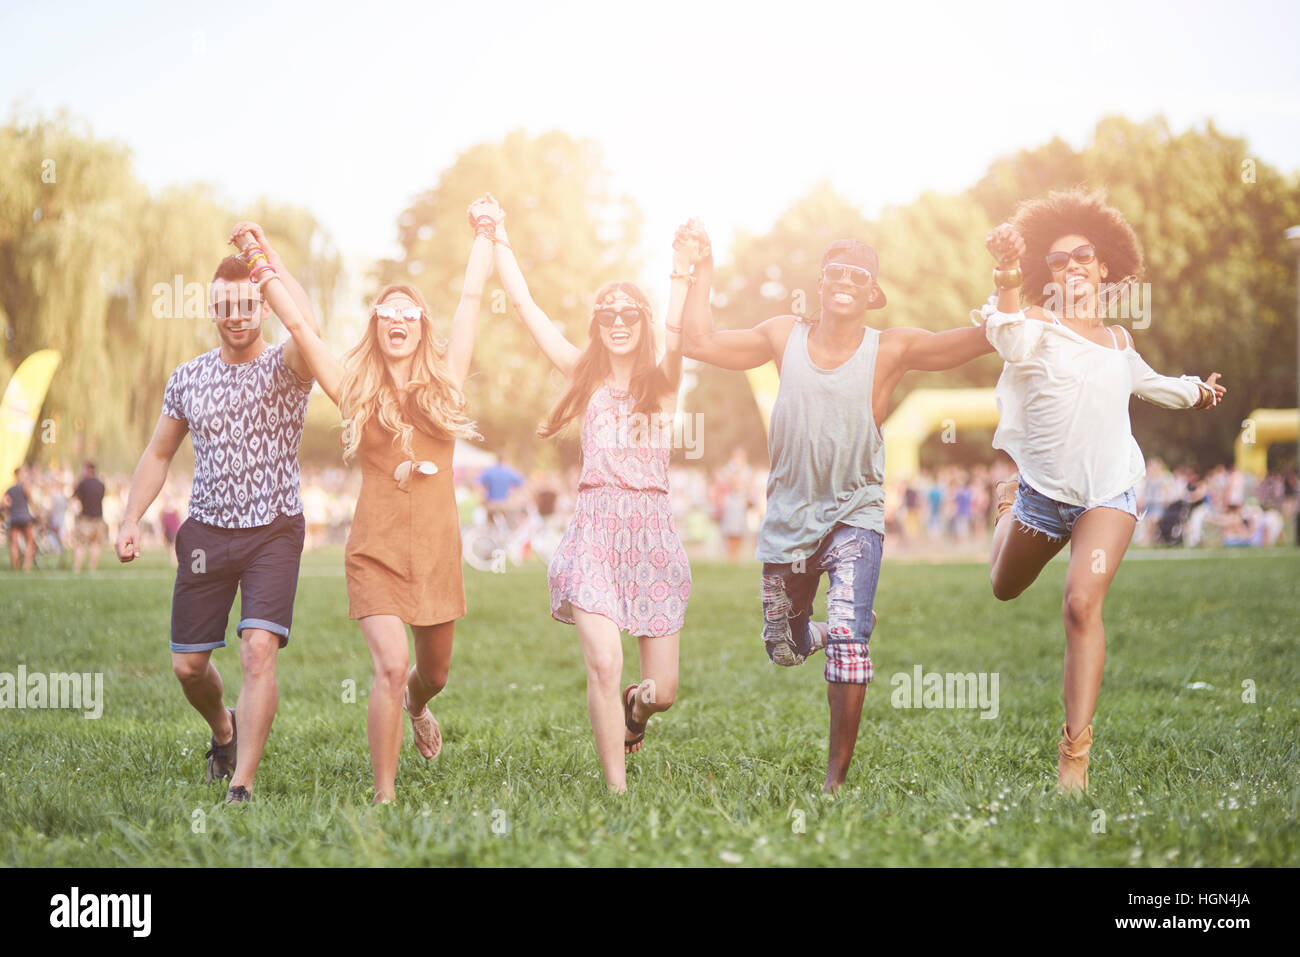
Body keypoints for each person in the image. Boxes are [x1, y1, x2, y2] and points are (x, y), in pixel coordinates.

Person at [682, 229, 995, 794]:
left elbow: (976, 341)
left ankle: (834, 781)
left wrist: (1009, 284)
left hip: (856, 512)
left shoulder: (891, 347)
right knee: (782, 647)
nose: (845, 282)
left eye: (858, 276)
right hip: (788, 520)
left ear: (872, 292)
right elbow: (697, 343)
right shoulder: (783, 335)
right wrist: (701, 269)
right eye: (836, 272)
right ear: (820, 283)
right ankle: (831, 629)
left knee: (852, 645)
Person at [980, 189, 1225, 793]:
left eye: (1081, 255)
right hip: (1042, 495)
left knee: (1081, 604)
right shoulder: (1036, 325)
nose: (1070, 267)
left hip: (1109, 492)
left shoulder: (1119, 340)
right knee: (1003, 587)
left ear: (1104, 265)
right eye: (1057, 262)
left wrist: (1197, 390)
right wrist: (1008, 273)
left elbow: (1153, 384)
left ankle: (1075, 757)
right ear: (1049, 275)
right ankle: (1008, 503)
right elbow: (1006, 336)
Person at [252, 200, 493, 803]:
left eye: (408, 312)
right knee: (389, 665)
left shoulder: (447, 382)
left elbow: (469, 303)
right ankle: (385, 797)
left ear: (420, 326)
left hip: (437, 552)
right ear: (376, 325)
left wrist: (486, 233)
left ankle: (418, 705)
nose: (397, 319)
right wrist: (262, 263)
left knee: (431, 673)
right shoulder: (356, 392)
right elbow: (304, 330)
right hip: (376, 551)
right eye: (386, 311)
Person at [494, 202, 700, 793]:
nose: (617, 320)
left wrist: (680, 271)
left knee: (663, 692)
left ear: (641, 320)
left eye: (628, 312)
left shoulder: (663, 382)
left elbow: (680, 333)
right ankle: (616, 790)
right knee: (605, 664)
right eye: (607, 312)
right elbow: (529, 311)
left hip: (652, 532)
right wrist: (502, 237)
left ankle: (636, 712)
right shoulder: (582, 376)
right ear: (596, 322)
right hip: (594, 531)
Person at [115, 229, 319, 803]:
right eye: (225, 306)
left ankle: (242, 785)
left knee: (258, 649)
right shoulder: (188, 377)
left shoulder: (289, 363)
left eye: (248, 304)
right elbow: (158, 454)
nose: (237, 316)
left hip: (275, 527)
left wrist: (269, 262)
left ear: (263, 304)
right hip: (205, 530)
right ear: (212, 309)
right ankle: (223, 728)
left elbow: (310, 327)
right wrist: (131, 518)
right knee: (188, 668)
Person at [72, 462, 108, 572]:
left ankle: (77, 569)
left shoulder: (82, 483)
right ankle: (92, 569)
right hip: (98, 518)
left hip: (85, 519)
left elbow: (75, 499)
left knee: (80, 545)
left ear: (87, 470)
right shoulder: (101, 484)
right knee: (96, 544)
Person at [3, 467, 36, 572]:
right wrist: (38, 513)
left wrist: (8, 512)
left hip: (13, 518)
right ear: (20, 475)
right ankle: (26, 567)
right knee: (30, 543)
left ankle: (16, 568)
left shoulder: (9, 489)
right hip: (25, 518)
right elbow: (31, 502)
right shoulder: (24, 487)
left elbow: (4, 504)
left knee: (14, 544)